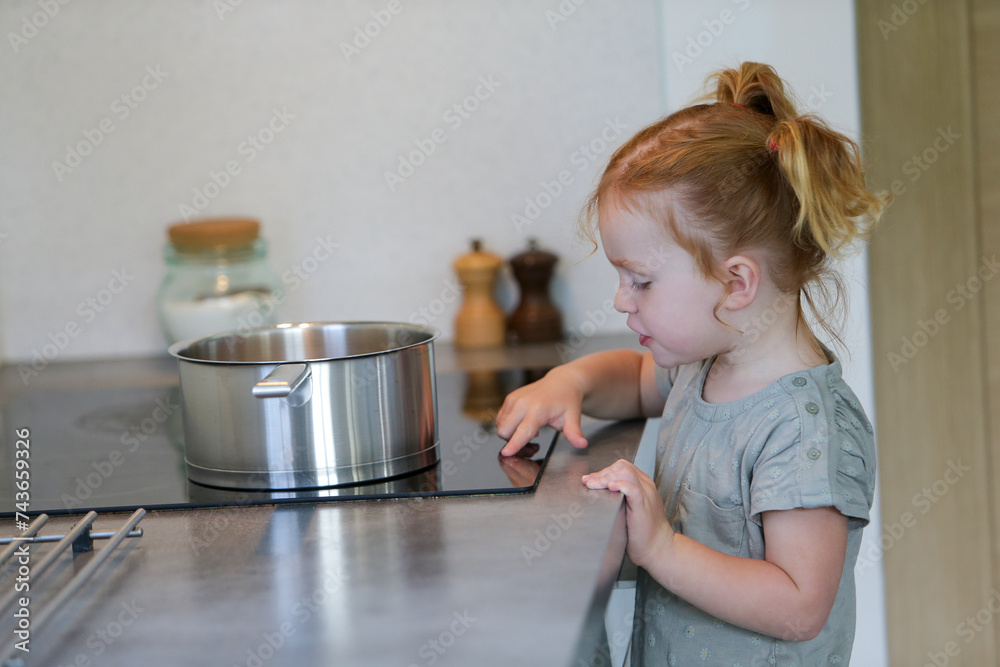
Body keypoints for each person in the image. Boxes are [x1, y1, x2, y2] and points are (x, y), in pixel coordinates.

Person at [496, 62, 887, 665]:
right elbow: (631, 381)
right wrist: (568, 381)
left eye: (641, 281)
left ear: (735, 284)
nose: (622, 301)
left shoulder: (806, 430)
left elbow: (800, 605)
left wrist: (662, 548)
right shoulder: (704, 365)